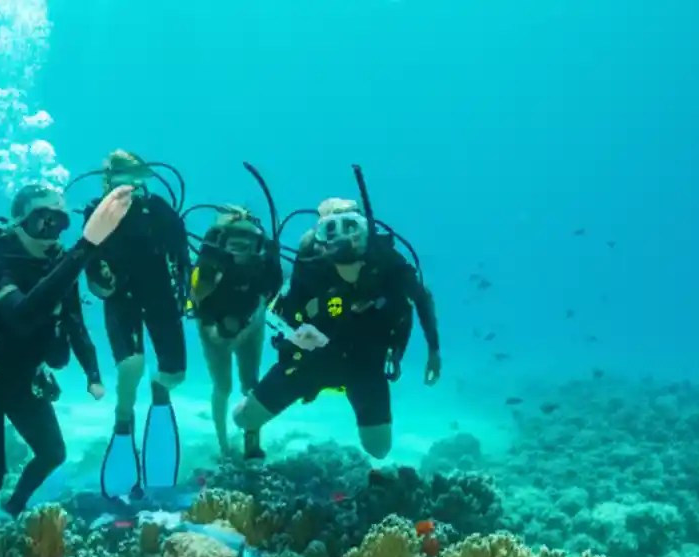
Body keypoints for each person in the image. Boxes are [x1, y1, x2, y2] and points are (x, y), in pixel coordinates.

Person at [0, 184, 134, 523]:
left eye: (59, 222)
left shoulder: (59, 266)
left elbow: (75, 324)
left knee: (53, 453)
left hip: (26, 378)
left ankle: (12, 511)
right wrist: (85, 247)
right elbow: (23, 315)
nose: (50, 232)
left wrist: (94, 375)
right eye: (42, 221)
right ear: (18, 222)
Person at [233, 198, 441, 459]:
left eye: (351, 226)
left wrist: (434, 350)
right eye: (331, 229)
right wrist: (299, 334)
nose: (344, 237)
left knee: (379, 448)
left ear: (365, 230)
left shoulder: (387, 262)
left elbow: (421, 298)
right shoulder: (310, 262)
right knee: (243, 419)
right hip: (312, 358)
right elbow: (283, 312)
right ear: (320, 236)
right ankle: (252, 430)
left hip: (366, 361)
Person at [83, 150, 191, 497]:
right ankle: (124, 416)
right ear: (107, 180)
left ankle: (160, 394)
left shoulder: (158, 209)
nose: (128, 185)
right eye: (120, 177)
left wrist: (185, 293)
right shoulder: (96, 212)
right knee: (132, 365)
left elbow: (182, 256)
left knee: (175, 373)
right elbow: (87, 261)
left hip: (160, 296)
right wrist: (100, 283)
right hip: (121, 300)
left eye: (135, 177)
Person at [188, 206, 282, 459]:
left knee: (251, 385)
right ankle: (223, 445)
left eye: (247, 243)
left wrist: (245, 330)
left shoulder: (264, 266)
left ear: (257, 244)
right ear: (222, 241)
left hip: (251, 324)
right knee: (222, 386)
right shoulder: (211, 263)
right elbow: (197, 302)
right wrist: (217, 334)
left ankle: (252, 443)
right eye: (233, 242)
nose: (239, 249)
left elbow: (268, 299)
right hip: (213, 326)